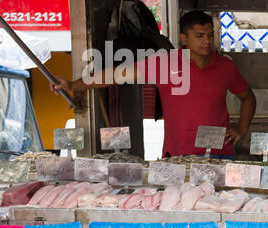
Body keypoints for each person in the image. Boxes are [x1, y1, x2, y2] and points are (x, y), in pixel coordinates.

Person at [54, 9, 254, 157]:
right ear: (184, 38)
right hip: (179, 156)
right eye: (199, 36)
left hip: (220, 154)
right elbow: (115, 75)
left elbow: (247, 97)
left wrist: (241, 129)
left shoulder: (225, 67)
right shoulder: (164, 63)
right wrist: (72, 85)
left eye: (210, 35)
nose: (206, 41)